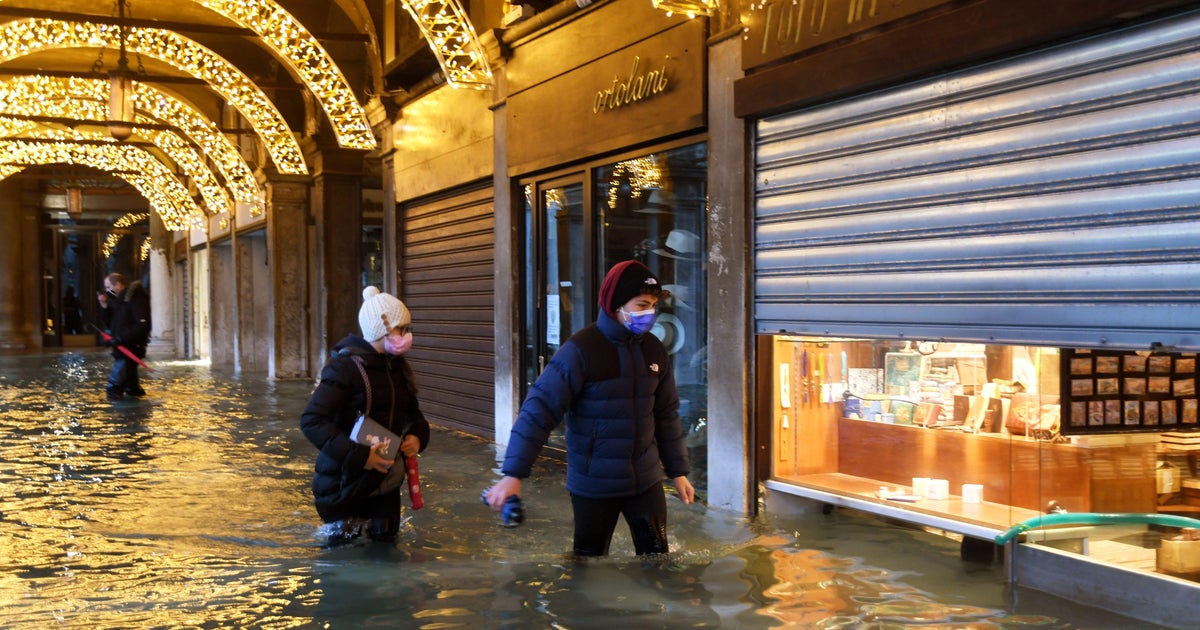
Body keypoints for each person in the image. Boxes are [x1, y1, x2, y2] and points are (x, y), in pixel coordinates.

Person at [485, 260, 694, 557]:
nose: (649, 313)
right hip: (594, 484)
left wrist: (678, 471)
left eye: (652, 306)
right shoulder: (581, 350)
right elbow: (538, 411)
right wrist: (512, 474)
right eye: (642, 304)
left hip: (646, 481)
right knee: (588, 564)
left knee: (659, 560)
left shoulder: (653, 348)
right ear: (616, 305)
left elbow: (666, 413)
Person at [300, 286, 431, 545]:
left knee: (386, 553)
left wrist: (418, 436)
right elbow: (311, 421)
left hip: (386, 483)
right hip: (344, 484)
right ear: (383, 329)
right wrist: (361, 456)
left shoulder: (398, 369)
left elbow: (413, 415)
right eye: (402, 329)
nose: (407, 335)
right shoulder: (344, 369)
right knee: (343, 562)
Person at [96, 272, 151, 401]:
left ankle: (121, 415)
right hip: (122, 347)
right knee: (131, 386)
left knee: (113, 386)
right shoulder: (119, 301)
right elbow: (111, 322)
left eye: (109, 287)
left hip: (130, 347)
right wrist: (104, 306)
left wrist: (121, 339)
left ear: (118, 285)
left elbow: (143, 325)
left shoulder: (136, 299)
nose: (108, 291)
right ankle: (132, 406)